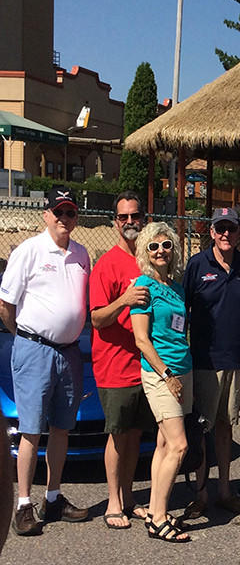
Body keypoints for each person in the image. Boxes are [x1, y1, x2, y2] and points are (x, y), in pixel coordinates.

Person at [0, 188, 91, 536]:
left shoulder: (82, 254)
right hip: (34, 350)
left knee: (62, 428)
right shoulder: (29, 251)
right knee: (31, 430)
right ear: (46, 214)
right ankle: (23, 505)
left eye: (70, 213)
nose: (64, 219)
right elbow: (6, 304)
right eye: (58, 212)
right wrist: (27, 336)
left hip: (69, 353)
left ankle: (53, 497)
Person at [182, 207, 240, 517]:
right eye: (220, 228)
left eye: (232, 228)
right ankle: (200, 494)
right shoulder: (198, 265)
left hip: (235, 359)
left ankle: (224, 491)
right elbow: (181, 309)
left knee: (226, 427)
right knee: (202, 430)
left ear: (239, 232)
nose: (226, 234)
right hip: (203, 361)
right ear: (211, 232)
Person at [89, 191, 153, 530]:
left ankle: (128, 497)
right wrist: (125, 300)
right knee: (117, 436)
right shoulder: (107, 264)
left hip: (144, 365)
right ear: (115, 222)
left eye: (135, 216)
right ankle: (113, 502)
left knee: (134, 436)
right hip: (115, 364)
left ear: (143, 217)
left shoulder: (147, 260)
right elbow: (97, 319)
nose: (130, 222)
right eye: (123, 217)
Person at [130, 222, 192, 543]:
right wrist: (167, 376)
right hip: (160, 375)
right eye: (153, 247)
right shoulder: (143, 287)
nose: (160, 252)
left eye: (166, 245)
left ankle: (157, 509)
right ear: (145, 252)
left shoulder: (177, 288)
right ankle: (158, 518)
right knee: (179, 445)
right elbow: (142, 340)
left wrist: (179, 373)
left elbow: (179, 331)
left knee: (164, 444)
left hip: (184, 370)